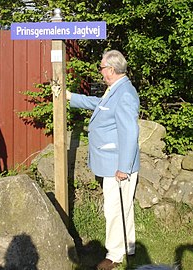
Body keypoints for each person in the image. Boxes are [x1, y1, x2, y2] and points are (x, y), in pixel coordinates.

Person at [66, 50, 140, 270]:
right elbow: (99, 104)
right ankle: (128, 247)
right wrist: (70, 97)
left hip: (117, 165)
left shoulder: (125, 92)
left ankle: (115, 256)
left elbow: (129, 133)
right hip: (113, 162)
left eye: (101, 67)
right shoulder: (116, 88)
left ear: (111, 69)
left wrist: (123, 168)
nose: (100, 71)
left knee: (115, 209)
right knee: (121, 207)